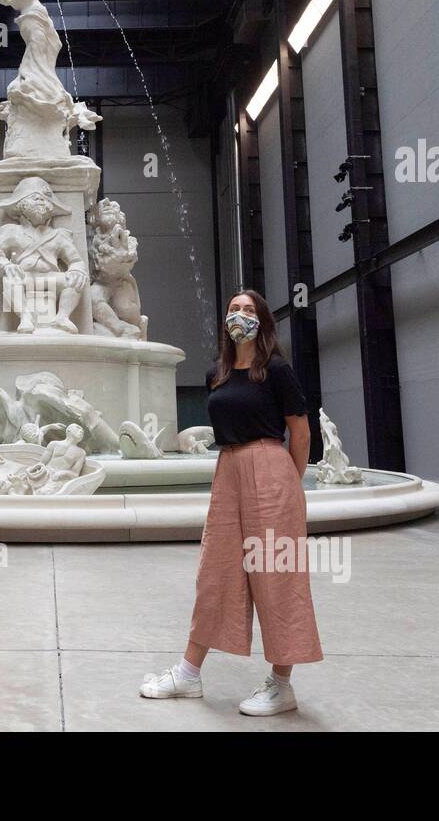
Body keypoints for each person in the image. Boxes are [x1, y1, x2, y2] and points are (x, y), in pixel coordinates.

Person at [139, 289, 323, 715]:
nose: (239, 315)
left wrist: (289, 487)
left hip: (270, 467)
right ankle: (188, 673)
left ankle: (281, 684)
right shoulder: (217, 373)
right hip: (228, 470)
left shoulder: (276, 371)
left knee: (276, 575)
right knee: (215, 572)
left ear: (262, 321)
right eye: (233, 309)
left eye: (248, 310)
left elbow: (301, 433)